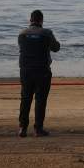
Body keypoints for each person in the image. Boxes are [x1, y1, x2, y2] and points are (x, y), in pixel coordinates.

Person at [17, 9, 61, 137]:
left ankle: (22, 128)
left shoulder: (22, 34)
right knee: (41, 99)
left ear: (30, 20)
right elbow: (56, 48)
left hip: (25, 69)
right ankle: (38, 129)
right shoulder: (46, 33)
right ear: (41, 20)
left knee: (25, 98)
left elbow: (22, 48)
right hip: (42, 70)